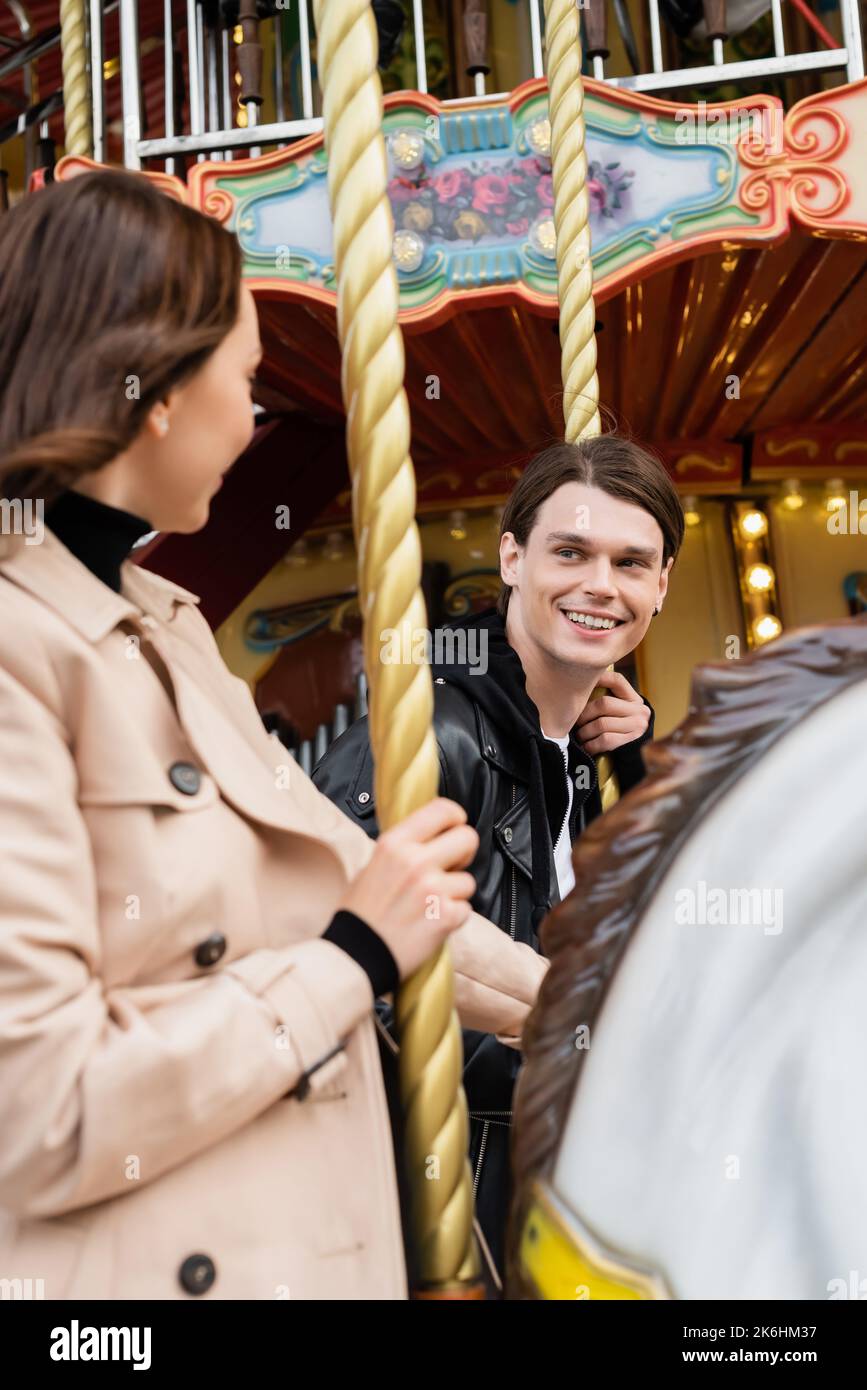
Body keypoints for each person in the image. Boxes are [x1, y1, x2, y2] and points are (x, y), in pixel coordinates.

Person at [0, 170, 546, 1300]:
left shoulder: (172, 629)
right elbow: (38, 1109)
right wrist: (347, 963)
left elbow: (365, 882)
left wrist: (590, 1004)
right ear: (157, 388)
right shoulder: (22, 650)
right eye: (245, 379)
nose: (253, 419)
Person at [314, 436, 685, 1285]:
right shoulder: (426, 741)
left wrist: (636, 762)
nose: (601, 584)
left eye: (631, 563)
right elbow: (346, 969)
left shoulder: (583, 747)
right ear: (512, 559)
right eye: (570, 553)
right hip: (440, 1196)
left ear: (661, 586)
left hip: (537, 1182)